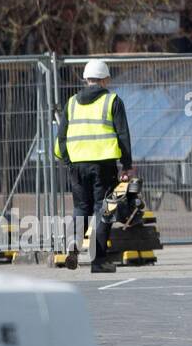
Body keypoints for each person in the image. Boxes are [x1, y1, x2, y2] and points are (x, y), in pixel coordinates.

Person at [53, 59, 133, 274]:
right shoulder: (112, 100)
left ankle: (72, 246)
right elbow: (123, 134)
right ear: (105, 79)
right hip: (104, 165)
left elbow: (60, 137)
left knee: (81, 208)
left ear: (86, 79)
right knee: (103, 211)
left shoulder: (71, 103)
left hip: (77, 165)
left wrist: (69, 161)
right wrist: (126, 165)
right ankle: (98, 261)